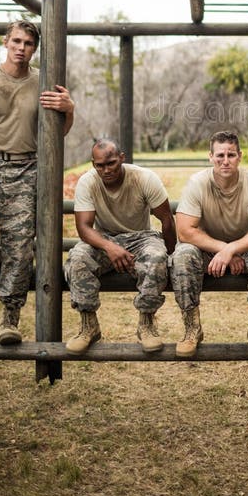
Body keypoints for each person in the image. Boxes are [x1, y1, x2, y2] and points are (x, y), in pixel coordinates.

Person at [0, 19, 74, 343]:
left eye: (28, 44)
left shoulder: (42, 82)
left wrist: (70, 109)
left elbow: (58, 133)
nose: (22, 48)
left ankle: (9, 318)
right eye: (17, 41)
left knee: (20, 245)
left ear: (35, 49)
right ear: (6, 42)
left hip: (27, 167)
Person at [170, 130, 248, 359]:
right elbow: (184, 230)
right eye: (220, 155)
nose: (225, 161)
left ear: (240, 156)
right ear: (210, 157)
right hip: (209, 251)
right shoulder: (197, 183)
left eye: (231, 155)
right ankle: (192, 327)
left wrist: (232, 250)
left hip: (246, 249)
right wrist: (223, 248)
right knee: (183, 254)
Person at [64, 138, 176, 353]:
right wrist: (109, 247)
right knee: (77, 258)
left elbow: (167, 220)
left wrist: (170, 256)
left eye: (111, 163)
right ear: (93, 164)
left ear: (122, 158)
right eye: (100, 165)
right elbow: (84, 228)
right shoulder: (88, 182)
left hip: (141, 237)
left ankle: (147, 324)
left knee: (156, 257)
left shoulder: (144, 178)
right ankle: (89, 326)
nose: (106, 170)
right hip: (104, 238)